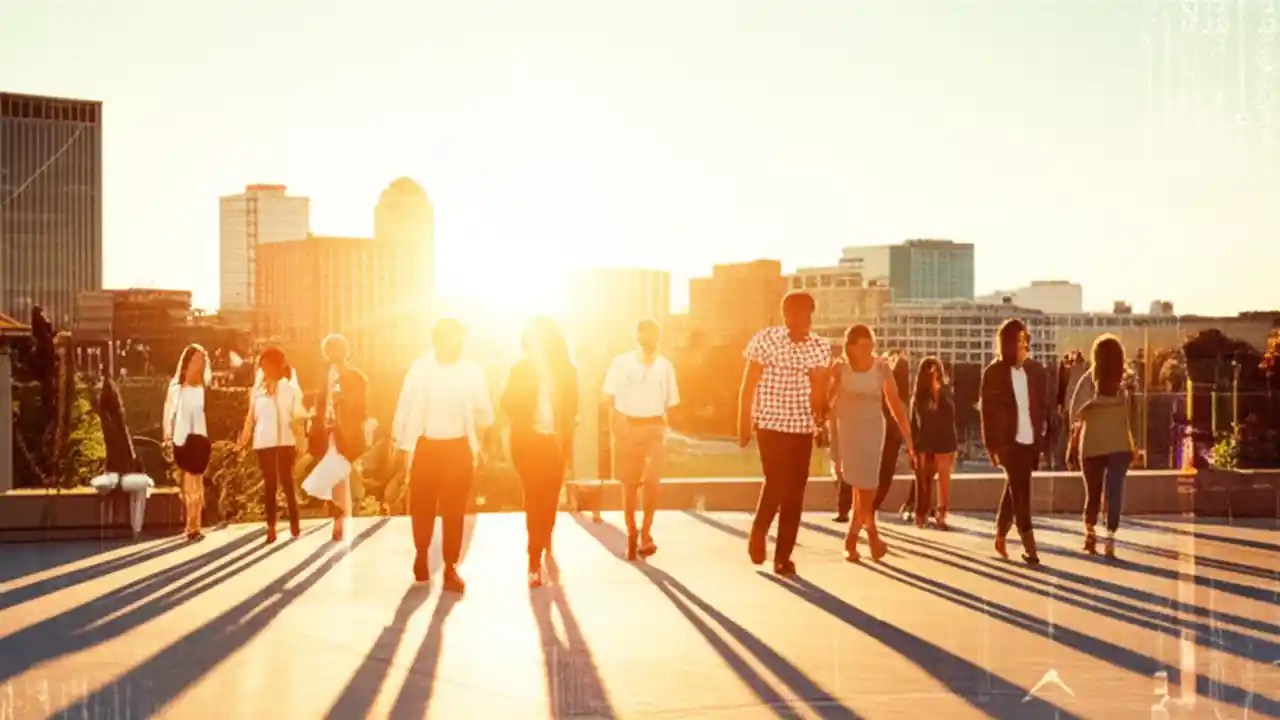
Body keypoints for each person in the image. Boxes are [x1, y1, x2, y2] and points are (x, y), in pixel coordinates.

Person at [392, 318, 494, 592]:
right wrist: (400, 444)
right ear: (436, 341)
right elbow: (405, 405)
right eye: (449, 340)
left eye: (458, 340)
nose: (455, 346)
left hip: (459, 448)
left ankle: (450, 566)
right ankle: (421, 553)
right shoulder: (420, 369)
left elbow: (484, 410)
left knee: (454, 511)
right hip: (427, 446)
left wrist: (481, 446)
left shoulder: (471, 371)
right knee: (422, 507)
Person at [737, 291, 831, 576]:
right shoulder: (765, 340)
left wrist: (821, 424)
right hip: (769, 423)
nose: (799, 320)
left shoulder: (820, 347)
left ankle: (783, 557)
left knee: (795, 492)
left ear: (811, 315)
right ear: (784, 316)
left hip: (801, 427)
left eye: (804, 314)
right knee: (776, 480)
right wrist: (742, 423)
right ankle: (759, 531)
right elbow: (748, 383)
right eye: (793, 314)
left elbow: (819, 391)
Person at [503, 317, 578, 589]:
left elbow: (572, 411)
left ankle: (544, 540)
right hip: (528, 441)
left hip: (555, 442)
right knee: (535, 497)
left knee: (550, 497)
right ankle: (533, 560)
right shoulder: (520, 370)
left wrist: (565, 442)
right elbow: (507, 403)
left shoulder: (567, 372)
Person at [828, 325, 914, 563]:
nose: (868, 351)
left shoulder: (881, 368)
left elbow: (895, 403)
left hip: (873, 430)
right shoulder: (840, 368)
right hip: (848, 432)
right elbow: (827, 400)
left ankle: (859, 537)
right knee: (857, 485)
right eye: (863, 346)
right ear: (851, 347)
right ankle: (866, 536)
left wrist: (908, 437)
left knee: (867, 485)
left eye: (871, 346)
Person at [603, 319, 680, 560]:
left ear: (658, 338)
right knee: (629, 484)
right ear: (636, 337)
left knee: (653, 480)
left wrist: (670, 432)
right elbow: (609, 398)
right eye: (643, 336)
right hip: (628, 426)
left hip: (655, 427)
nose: (647, 341)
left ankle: (647, 532)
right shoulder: (621, 363)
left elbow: (672, 402)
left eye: (652, 336)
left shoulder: (665, 366)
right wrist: (615, 428)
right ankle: (631, 531)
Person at [980, 318, 1049, 566]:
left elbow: (1038, 408)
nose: (1024, 344)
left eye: (1025, 339)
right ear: (1008, 343)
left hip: (1028, 440)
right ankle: (1030, 545)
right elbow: (987, 412)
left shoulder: (1031, 371)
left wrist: (1040, 439)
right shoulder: (994, 372)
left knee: (1014, 488)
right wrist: (992, 446)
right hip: (1007, 442)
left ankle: (1000, 534)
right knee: (1021, 492)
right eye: (1019, 340)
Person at [1069, 334, 1135, 558]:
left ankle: (1090, 534)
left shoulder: (1089, 379)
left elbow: (1074, 411)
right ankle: (1110, 538)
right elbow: (1134, 413)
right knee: (1114, 493)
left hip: (1092, 444)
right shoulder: (1126, 380)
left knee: (1093, 493)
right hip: (1119, 444)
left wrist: (1089, 412)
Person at [302, 334, 369, 542]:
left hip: (345, 434)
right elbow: (321, 403)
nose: (332, 355)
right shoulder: (327, 375)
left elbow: (361, 407)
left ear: (344, 351)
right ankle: (340, 519)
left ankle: (341, 519)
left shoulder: (356, 376)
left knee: (333, 477)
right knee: (336, 480)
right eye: (329, 350)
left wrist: (344, 400)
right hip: (327, 433)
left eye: (336, 349)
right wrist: (313, 419)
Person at [237, 347, 308, 544]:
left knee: (286, 480)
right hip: (264, 441)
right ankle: (271, 526)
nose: (267, 369)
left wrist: (301, 437)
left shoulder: (289, 389)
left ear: (280, 365)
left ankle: (294, 521)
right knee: (270, 483)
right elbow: (251, 416)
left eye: (272, 365)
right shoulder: (257, 391)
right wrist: (244, 437)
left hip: (285, 441)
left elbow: (299, 415)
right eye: (265, 365)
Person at [164, 344, 212, 542]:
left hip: (200, 437)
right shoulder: (177, 388)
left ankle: (196, 524)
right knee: (188, 483)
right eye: (196, 360)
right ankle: (188, 523)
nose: (199, 364)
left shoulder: (204, 388)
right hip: (182, 438)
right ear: (188, 362)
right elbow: (169, 412)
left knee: (198, 482)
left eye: (202, 360)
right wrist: (167, 434)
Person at [910, 356, 958, 530]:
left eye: (937, 370)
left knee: (944, 479)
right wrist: (913, 447)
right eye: (930, 370)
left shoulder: (946, 395)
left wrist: (954, 447)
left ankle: (941, 514)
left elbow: (950, 420)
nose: (935, 374)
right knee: (923, 481)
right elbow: (916, 423)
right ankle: (921, 514)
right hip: (925, 442)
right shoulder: (920, 398)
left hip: (944, 442)